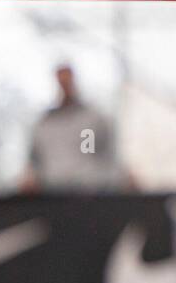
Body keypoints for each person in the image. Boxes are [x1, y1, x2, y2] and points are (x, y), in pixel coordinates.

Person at [19, 64, 131, 193]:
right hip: (51, 197)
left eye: (67, 80)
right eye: (61, 81)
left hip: (89, 195)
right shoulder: (44, 125)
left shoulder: (93, 120)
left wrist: (121, 179)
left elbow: (109, 158)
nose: (64, 86)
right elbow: (34, 164)